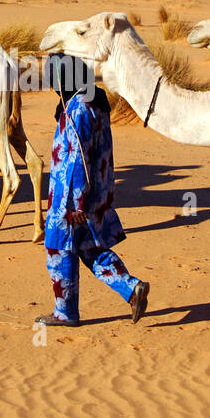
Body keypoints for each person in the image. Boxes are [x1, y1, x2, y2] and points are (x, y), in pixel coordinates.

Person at [37, 53, 149, 327]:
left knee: (57, 247)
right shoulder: (93, 100)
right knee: (88, 247)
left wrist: (75, 204)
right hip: (95, 193)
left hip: (71, 198)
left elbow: (76, 158)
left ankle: (65, 312)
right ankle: (131, 288)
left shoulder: (78, 108)